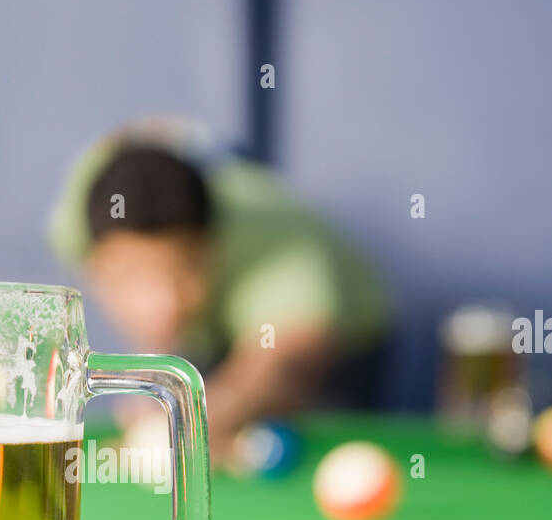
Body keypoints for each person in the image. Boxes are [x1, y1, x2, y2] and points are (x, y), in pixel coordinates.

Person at [48, 121, 390, 462]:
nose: (162, 304)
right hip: (213, 336)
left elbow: (290, 354)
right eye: (131, 275)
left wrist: (199, 416)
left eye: (185, 270)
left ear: (213, 250)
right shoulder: (77, 218)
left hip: (341, 345)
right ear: (94, 262)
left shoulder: (271, 241)